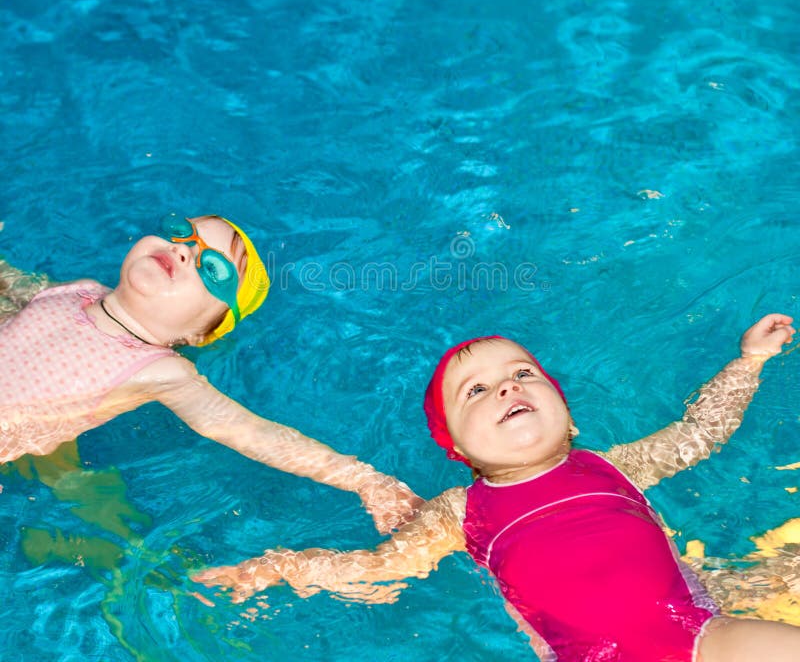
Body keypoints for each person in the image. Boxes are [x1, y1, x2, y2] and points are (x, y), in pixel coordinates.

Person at [194, 314, 800, 661]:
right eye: (476, 392)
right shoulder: (461, 511)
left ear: (566, 411)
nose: (507, 388)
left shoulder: (617, 466)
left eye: (522, 374)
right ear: (456, 448)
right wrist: (270, 571)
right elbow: (378, 567)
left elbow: (701, 431)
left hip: (706, 636)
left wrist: (748, 362)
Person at [0, 214, 420, 535]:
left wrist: (366, 481)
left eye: (212, 269)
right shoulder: (79, 290)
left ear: (200, 332)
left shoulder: (161, 371)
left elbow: (251, 432)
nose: (184, 252)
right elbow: (12, 289)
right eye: (181, 233)